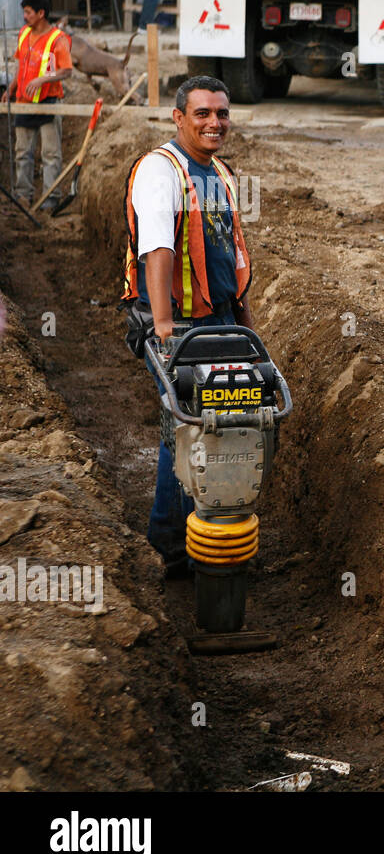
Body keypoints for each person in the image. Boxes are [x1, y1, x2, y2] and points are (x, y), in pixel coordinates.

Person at [120, 75, 256, 578]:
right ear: (178, 118)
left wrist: (245, 322)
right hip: (176, 324)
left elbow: (231, 250)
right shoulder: (162, 171)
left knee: (227, 426)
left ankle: (215, 531)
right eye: (202, 113)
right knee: (187, 428)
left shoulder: (218, 171)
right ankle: (173, 544)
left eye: (221, 113)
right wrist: (162, 325)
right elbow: (159, 248)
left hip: (219, 318)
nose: (214, 122)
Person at [1, 0, 73, 213]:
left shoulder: (57, 39)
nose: (24, 17)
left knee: (50, 154)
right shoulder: (23, 34)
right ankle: (23, 195)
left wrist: (42, 79)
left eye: (28, 13)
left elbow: (66, 70)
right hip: (23, 101)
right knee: (22, 151)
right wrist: (11, 89)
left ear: (41, 14)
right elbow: (21, 67)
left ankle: (50, 199)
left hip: (48, 101)